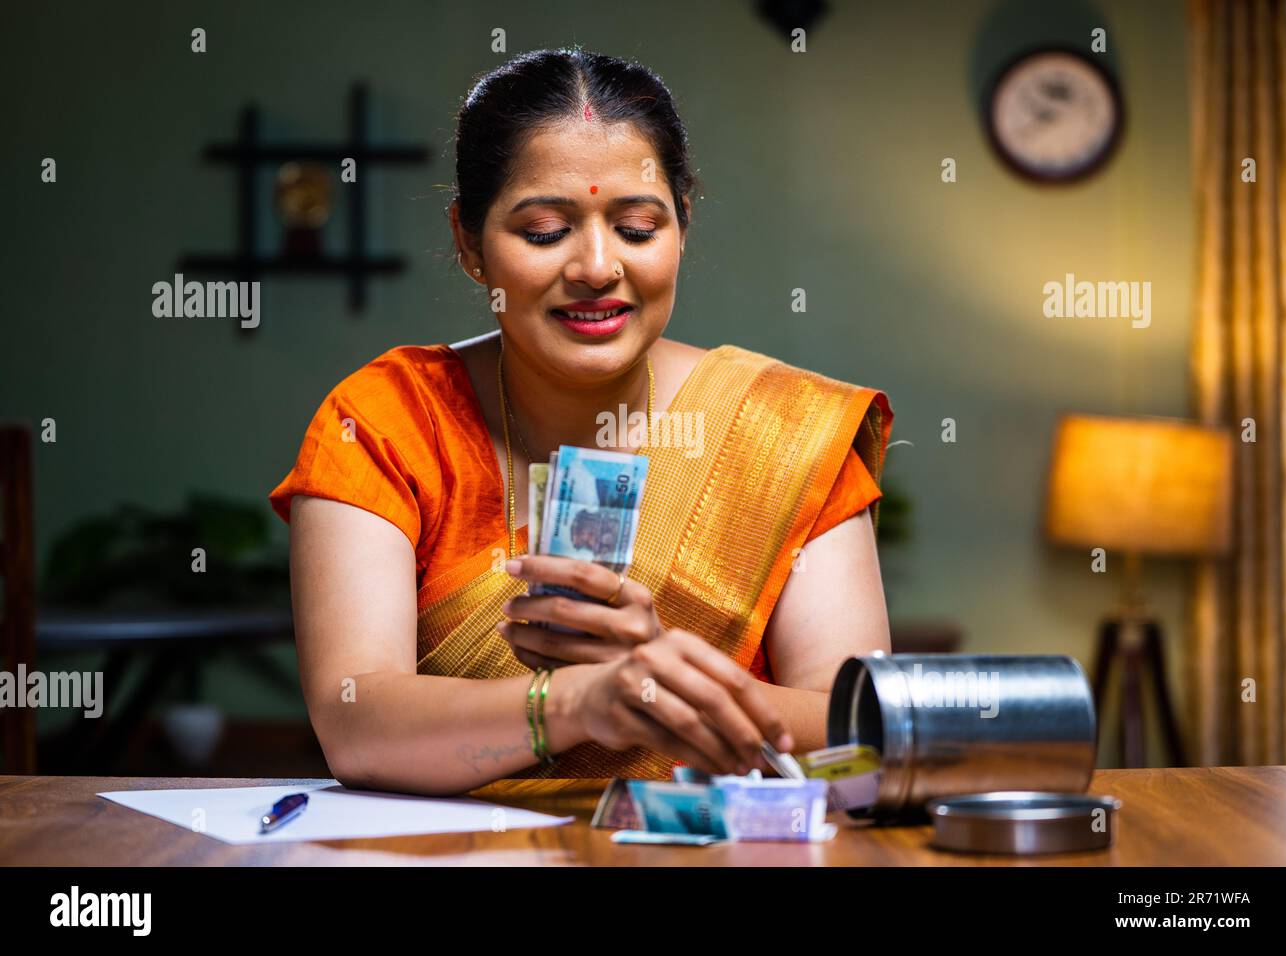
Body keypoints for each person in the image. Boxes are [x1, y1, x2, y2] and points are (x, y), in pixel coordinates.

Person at [268, 48, 893, 795]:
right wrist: (575, 701)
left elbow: (861, 735)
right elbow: (354, 723)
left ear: (682, 227)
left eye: (636, 227)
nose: (597, 266)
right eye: (543, 231)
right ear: (469, 242)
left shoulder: (788, 431)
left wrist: (661, 681)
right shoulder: (387, 422)